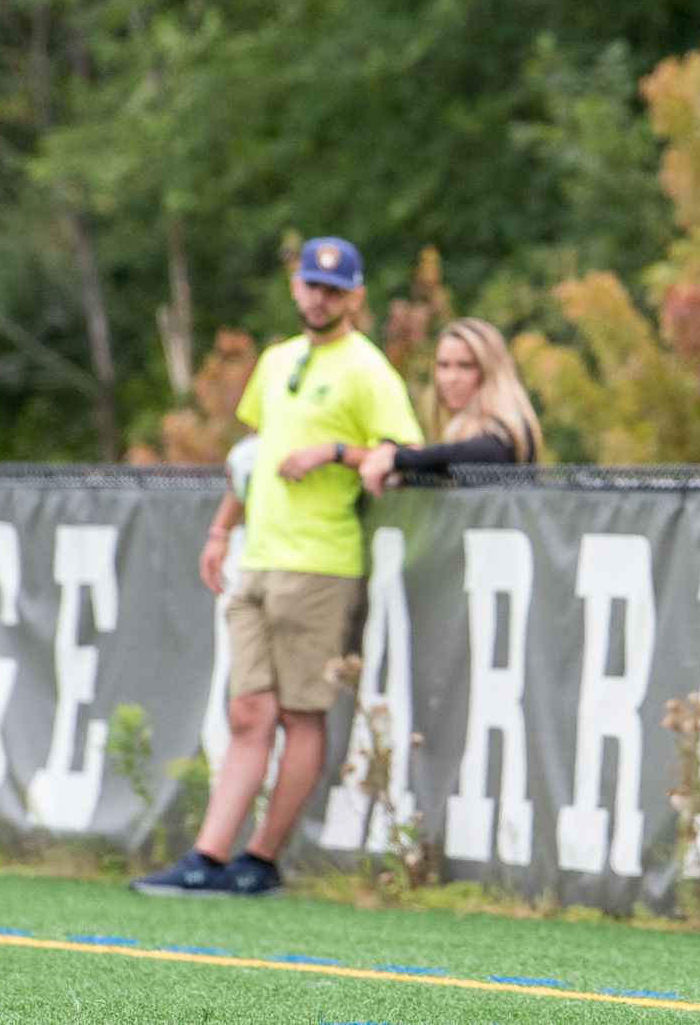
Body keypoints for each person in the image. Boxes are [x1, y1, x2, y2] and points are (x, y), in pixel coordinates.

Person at [134, 236, 423, 898]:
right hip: (257, 558)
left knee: (300, 714)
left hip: (320, 562)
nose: (319, 298)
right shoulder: (277, 360)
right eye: (310, 285)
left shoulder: (368, 369)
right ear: (296, 287)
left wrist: (336, 451)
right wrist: (219, 529)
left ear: (355, 296)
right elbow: (253, 456)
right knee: (247, 714)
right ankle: (208, 855)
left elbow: (403, 452)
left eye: (333, 288)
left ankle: (259, 858)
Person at [357, 317, 541, 493]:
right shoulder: (458, 429)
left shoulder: (507, 429)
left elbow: (476, 456)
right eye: (443, 365)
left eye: (465, 365)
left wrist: (398, 458)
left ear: (490, 370)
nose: (451, 378)